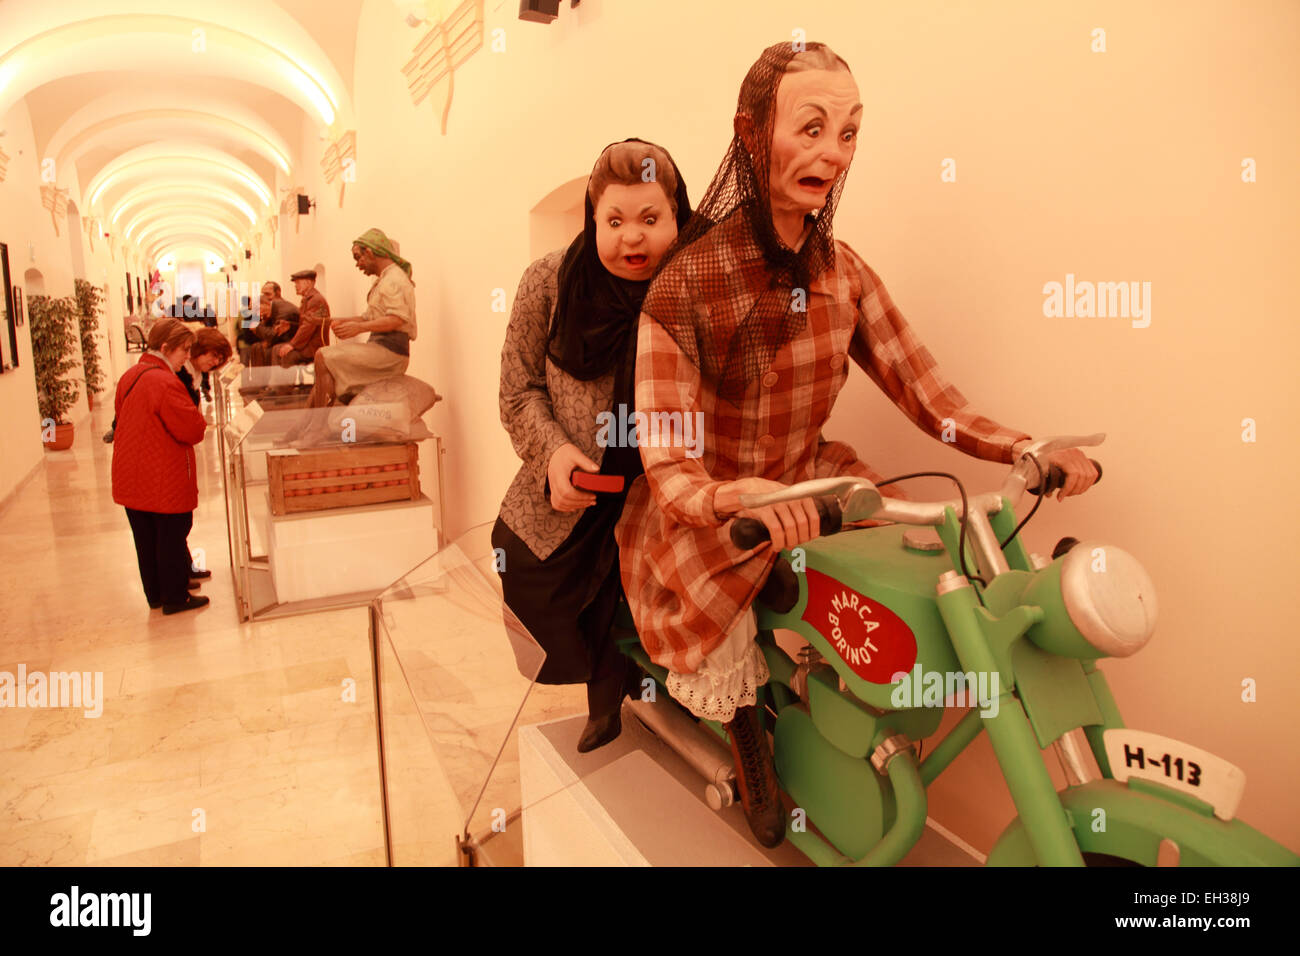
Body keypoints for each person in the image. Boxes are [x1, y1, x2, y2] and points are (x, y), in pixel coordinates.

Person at [615, 41, 1100, 847]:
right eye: (809, 127)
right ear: (750, 129)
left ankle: (866, 720)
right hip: (719, 508)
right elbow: (667, 455)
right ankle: (751, 753)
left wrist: (1025, 445)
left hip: (814, 480)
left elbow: (930, 396)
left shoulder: (845, 274)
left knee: (923, 558)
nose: (831, 153)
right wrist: (726, 499)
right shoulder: (684, 284)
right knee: (726, 632)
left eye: (847, 132)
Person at [493, 139, 691, 753]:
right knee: (579, 600)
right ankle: (603, 704)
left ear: (677, 216)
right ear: (592, 217)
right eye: (615, 221)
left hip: (670, 485)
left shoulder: (697, 281)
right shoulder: (549, 283)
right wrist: (551, 451)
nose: (632, 239)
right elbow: (517, 388)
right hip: (580, 486)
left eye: (651, 219)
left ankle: (680, 719)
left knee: (658, 605)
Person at [111, 318, 210, 615]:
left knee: (146, 537)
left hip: (131, 472)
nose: (185, 358)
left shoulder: (131, 375)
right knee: (171, 532)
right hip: (161, 474)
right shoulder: (165, 381)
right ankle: (175, 597)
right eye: (183, 351)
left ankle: (155, 594)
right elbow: (192, 430)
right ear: (166, 348)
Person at [307, 229, 416, 409]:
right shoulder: (384, 280)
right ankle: (306, 424)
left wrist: (359, 328)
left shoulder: (394, 279)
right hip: (379, 347)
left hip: (391, 354)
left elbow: (397, 319)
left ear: (371, 252)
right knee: (324, 364)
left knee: (322, 356)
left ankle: (317, 425)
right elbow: (367, 317)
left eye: (358, 257)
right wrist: (329, 321)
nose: (358, 264)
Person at [273, 269, 330, 367]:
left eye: (298, 283)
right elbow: (305, 324)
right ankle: (278, 381)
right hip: (307, 344)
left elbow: (308, 327)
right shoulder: (309, 299)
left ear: (308, 283)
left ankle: (284, 382)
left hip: (314, 347)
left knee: (284, 354)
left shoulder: (316, 300)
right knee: (276, 349)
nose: (295, 286)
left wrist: (292, 345)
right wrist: (289, 326)